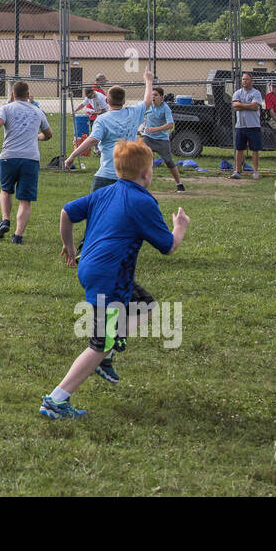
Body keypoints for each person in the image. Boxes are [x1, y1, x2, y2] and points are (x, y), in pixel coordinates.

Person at [40, 140, 190, 419]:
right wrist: (179, 228)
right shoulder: (144, 201)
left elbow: (66, 212)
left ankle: (109, 351)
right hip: (111, 277)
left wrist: (70, 247)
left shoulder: (105, 192)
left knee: (146, 306)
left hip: (91, 269)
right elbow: (168, 247)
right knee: (100, 342)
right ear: (146, 174)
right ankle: (57, 399)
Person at [0, 80, 51, 244]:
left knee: (6, 191)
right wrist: (38, 137)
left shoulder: (6, 108)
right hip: (30, 159)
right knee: (25, 200)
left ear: (12, 94)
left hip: (8, 157)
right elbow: (48, 134)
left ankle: (5, 220)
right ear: (28, 95)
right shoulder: (37, 111)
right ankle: (18, 235)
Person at [63, 70, 156, 192]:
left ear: (107, 100)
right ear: (123, 101)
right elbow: (148, 101)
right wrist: (149, 81)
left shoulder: (102, 119)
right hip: (129, 176)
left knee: (96, 208)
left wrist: (72, 155)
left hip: (107, 174)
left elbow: (92, 140)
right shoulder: (133, 113)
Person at [141, 86, 184, 193]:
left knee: (169, 161)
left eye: (155, 95)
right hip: (148, 137)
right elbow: (139, 117)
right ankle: (141, 185)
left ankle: (179, 184)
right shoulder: (148, 106)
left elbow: (170, 124)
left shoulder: (165, 108)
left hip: (162, 140)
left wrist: (156, 129)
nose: (153, 97)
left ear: (162, 97)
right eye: (152, 95)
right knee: (143, 161)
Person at [230, 71, 265, 180]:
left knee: (255, 149)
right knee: (239, 148)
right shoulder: (238, 93)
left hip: (253, 125)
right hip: (240, 126)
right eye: (243, 79)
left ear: (251, 81)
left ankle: (255, 171)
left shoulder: (256, 93)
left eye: (247, 79)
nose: (244, 81)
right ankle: (237, 171)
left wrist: (242, 105)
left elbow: (255, 107)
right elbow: (235, 106)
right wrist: (247, 106)